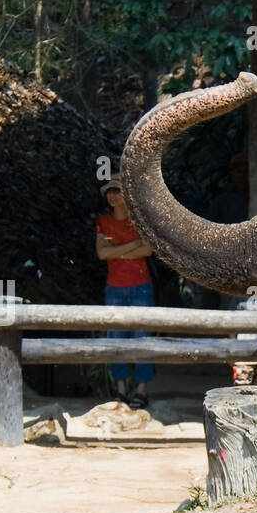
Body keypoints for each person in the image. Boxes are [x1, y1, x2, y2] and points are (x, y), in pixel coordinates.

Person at [95, 175, 156, 409]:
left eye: (117, 191)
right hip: (114, 287)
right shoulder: (103, 221)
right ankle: (121, 391)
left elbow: (148, 250)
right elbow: (102, 254)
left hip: (140, 286)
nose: (113, 195)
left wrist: (115, 251)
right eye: (110, 191)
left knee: (142, 338)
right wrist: (133, 246)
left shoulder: (140, 220)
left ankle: (141, 390)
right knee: (116, 339)